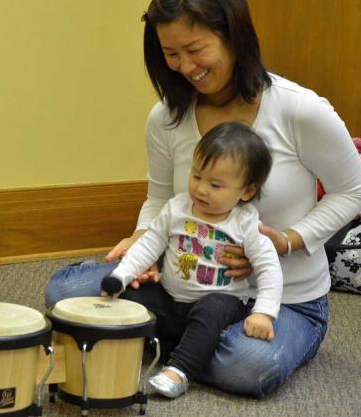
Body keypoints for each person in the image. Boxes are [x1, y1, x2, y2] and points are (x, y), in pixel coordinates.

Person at [45, 0, 361, 398]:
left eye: (195, 50)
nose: (184, 67)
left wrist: (288, 240)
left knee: (246, 368)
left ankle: (160, 340)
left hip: (280, 298)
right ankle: (190, 338)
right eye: (170, 54)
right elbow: (159, 197)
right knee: (63, 292)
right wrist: (144, 241)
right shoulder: (166, 119)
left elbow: (354, 191)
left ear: (232, 34)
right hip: (186, 288)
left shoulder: (299, 110)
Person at [101, 121, 281, 399]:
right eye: (196, 176)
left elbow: (269, 269)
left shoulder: (245, 225)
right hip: (170, 299)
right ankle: (127, 351)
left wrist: (263, 313)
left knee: (211, 309)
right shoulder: (176, 208)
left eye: (216, 184)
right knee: (131, 296)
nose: (202, 189)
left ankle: (179, 370)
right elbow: (149, 245)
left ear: (245, 191)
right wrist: (121, 276)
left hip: (219, 303)